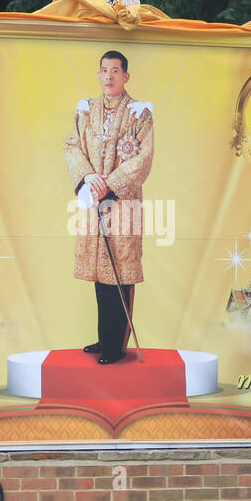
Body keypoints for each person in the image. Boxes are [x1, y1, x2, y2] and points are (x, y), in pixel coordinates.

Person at [64, 50, 155, 364]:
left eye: (115, 71)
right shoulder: (86, 111)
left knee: (120, 273)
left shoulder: (139, 113)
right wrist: (89, 177)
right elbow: (72, 146)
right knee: (100, 275)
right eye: (104, 70)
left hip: (123, 206)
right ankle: (105, 339)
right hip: (93, 201)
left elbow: (143, 159)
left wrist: (111, 183)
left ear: (125, 76)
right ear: (99, 74)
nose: (109, 76)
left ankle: (117, 345)